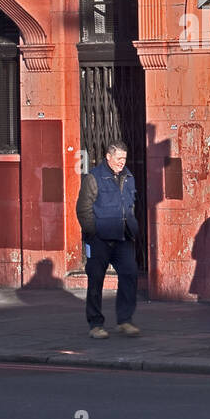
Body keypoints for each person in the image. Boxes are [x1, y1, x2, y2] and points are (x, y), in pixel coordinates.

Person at [75, 142, 140, 339]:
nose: (122, 162)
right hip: (100, 240)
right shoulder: (94, 177)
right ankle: (95, 324)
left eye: (124, 158)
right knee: (96, 281)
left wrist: (132, 227)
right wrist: (93, 232)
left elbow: (130, 205)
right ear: (108, 157)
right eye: (119, 158)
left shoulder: (129, 177)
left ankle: (125, 320)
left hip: (123, 237)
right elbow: (83, 209)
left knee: (130, 274)